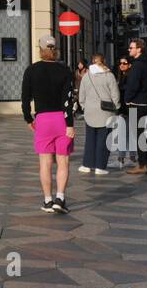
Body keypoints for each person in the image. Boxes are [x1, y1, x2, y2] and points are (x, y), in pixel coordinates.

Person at [21, 34, 75, 213]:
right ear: (55, 49)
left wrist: (28, 118)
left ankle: (47, 200)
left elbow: (25, 97)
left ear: (40, 50)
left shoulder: (32, 70)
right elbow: (68, 99)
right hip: (61, 119)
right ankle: (60, 198)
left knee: (45, 162)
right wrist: (69, 124)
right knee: (63, 161)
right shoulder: (65, 70)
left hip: (43, 120)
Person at [77, 55, 122, 176]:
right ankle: (100, 166)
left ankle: (87, 164)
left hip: (90, 111)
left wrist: (84, 106)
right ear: (104, 62)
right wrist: (117, 107)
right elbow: (115, 95)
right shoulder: (109, 76)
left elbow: (81, 95)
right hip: (106, 112)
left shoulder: (87, 76)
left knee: (90, 139)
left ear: (93, 62)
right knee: (104, 139)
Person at [123, 38, 147, 175]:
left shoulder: (137, 65)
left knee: (138, 135)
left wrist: (127, 99)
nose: (129, 49)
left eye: (131, 48)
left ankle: (143, 164)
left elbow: (133, 85)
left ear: (139, 49)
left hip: (136, 103)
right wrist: (146, 94)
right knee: (140, 134)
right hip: (144, 102)